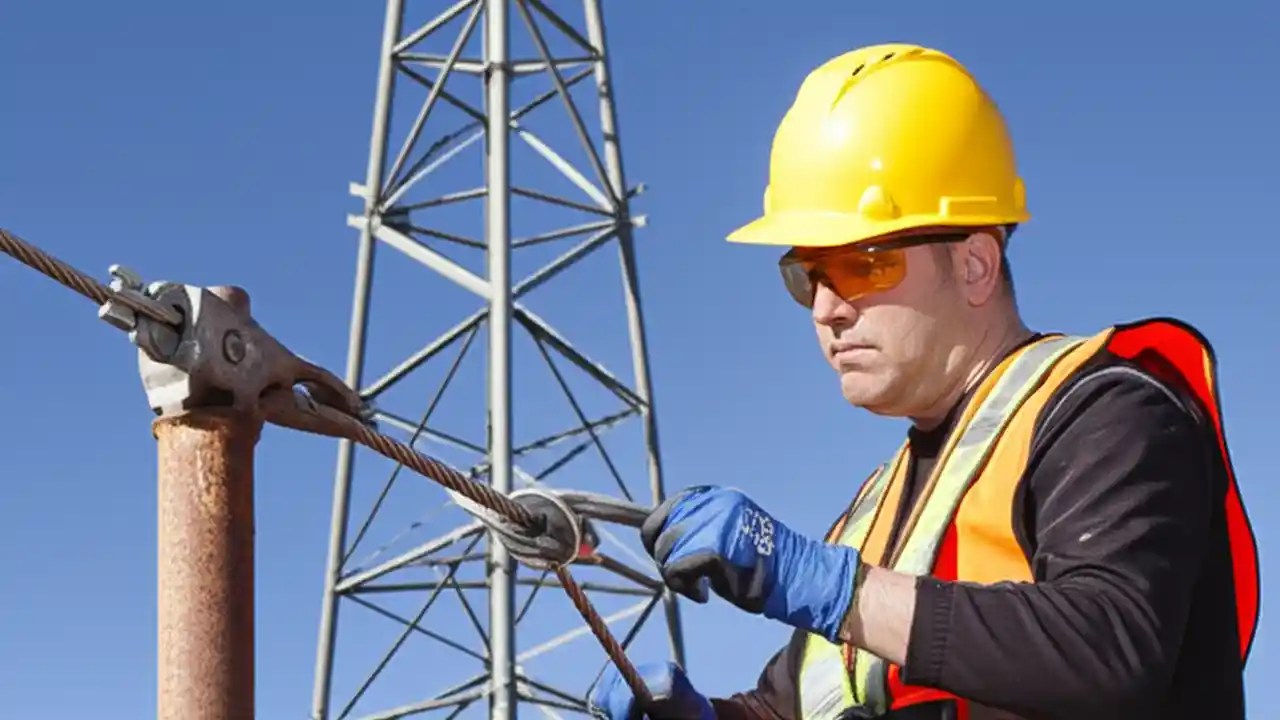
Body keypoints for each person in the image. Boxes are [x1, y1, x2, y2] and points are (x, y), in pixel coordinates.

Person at [587, 43, 1260, 720]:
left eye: (863, 264)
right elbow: (790, 706)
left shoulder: (1112, 415)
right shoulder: (874, 516)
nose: (826, 308)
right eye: (808, 275)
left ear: (974, 266)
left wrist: (828, 587)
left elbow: (1109, 648)